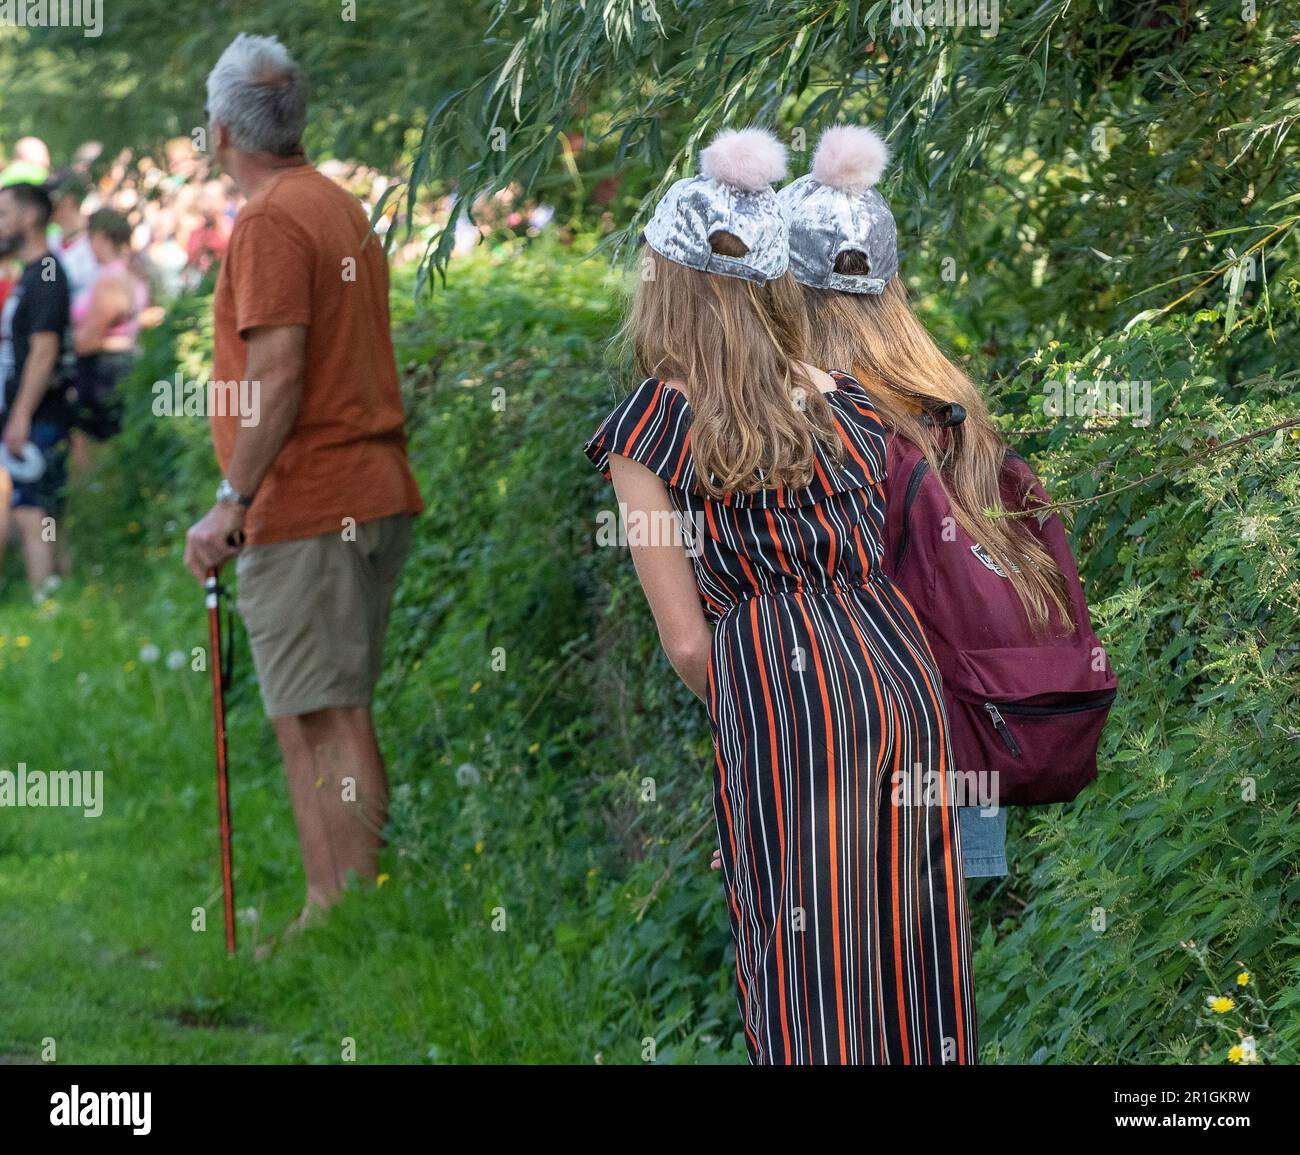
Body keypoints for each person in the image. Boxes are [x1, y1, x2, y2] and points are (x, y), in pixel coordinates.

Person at [582, 127, 976, 1064]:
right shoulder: (837, 396)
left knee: (811, 962)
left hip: (780, 684)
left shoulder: (650, 423)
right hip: (896, 670)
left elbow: (685, 642)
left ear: (666, 283)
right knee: (911, 950)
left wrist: (760, 731)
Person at [778, 126, 1079, 880]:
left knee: (847, 989)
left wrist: (770, 795)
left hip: (858, 749)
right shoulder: (945, 401)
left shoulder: (818, 415)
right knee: (932, 982)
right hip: (959, 733)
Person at [184, 33, 425, 949]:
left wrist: (229, 499)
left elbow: (278, 373)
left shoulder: (275, 219)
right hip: (346, 491)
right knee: (316, 706)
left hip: (314, 497)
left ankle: (347, 915)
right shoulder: (330, 202)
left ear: (219, 130)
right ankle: (338, 909)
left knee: (324, 712)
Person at [0, 181, 72, 599]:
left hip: (41, 413)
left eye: (5, 214)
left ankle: (44, 597)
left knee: (33, 508)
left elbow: (44, 351)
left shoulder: (46, 273)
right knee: (44, 505)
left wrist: (21, 415)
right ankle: (61, 588)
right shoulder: (29, 273)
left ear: (29, 217)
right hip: (29, 411)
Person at [69, 209, 149, 455]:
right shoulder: (134, 273)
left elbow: (87, 342)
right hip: (117, 372)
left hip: (101, 376)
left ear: (102, 238)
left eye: (90, 239)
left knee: (92, 455)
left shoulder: (110, 282)